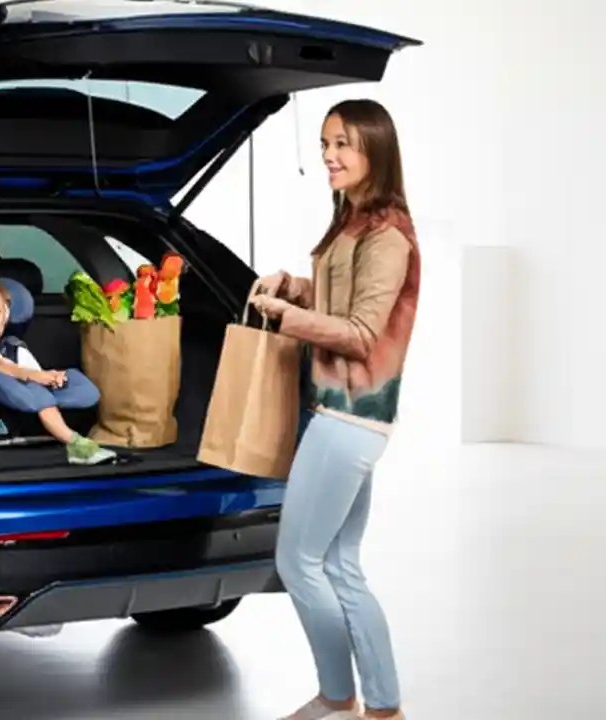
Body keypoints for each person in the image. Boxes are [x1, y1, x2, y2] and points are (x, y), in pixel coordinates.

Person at [250, 99, 420, 720]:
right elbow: (337, 301)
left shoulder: (387, 235)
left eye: (343, 143)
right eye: (325, 143)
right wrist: (292, 286)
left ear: (375, 148)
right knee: (341, 564)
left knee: (297, 561)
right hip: (341, 415)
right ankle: (382, 708)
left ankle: (335, 698)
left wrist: (293, 320)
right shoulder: (349, 223)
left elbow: (363, 333)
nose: (329, 155)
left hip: (349, 418)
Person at [0, 279, 116, 465]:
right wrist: (32, 376)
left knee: (65, 384)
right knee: (36, 392)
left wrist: (52, 377)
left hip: (17, 391)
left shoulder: (12, 346)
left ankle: (64, 436)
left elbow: (34, 371)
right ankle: (74, 443)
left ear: (6, 313)